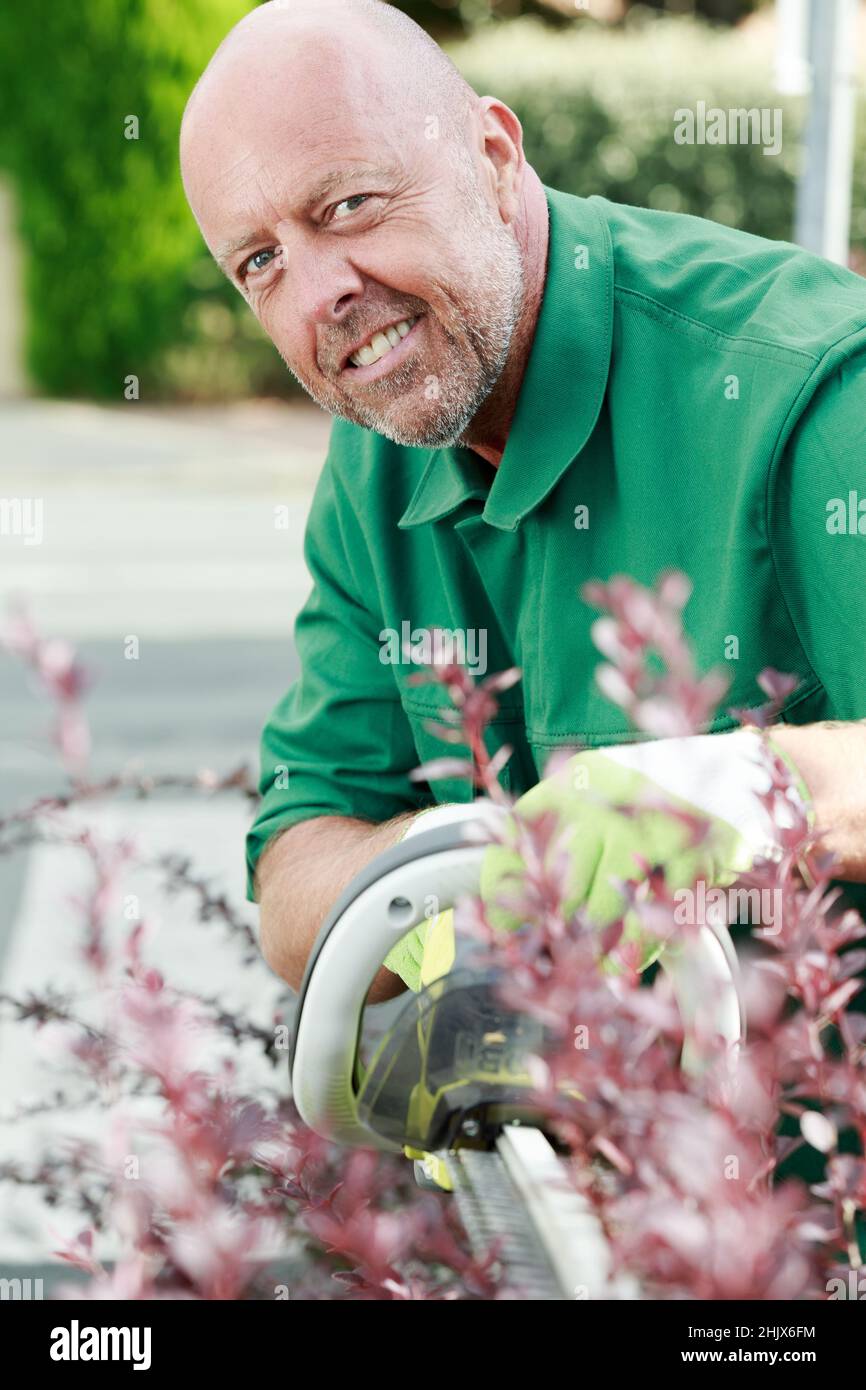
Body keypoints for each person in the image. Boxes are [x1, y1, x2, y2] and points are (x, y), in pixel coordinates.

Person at [180, 0, 866, 1002]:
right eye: (260, 262)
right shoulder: (379, 447)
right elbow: (294, 865)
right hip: (567, 1151)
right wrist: (471, 873)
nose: (319, 290)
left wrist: (727, 792)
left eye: (348, 205)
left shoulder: (808, 392)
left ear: (493, 156)